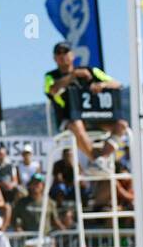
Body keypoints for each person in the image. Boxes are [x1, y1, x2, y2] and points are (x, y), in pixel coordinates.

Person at [45, 41, 129, 169]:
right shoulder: (50, 76)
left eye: (65, 52)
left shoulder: (91, 70)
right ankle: (96, 160)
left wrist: (102, 85)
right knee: (77, 124)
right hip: (69, 120)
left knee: (122, 125)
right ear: (54, 58)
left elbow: (118, 84)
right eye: (58, 53)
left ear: (72, 55)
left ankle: (102, 159)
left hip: (97, 117)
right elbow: (52, 90)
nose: (62, 56)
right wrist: (72, 76)